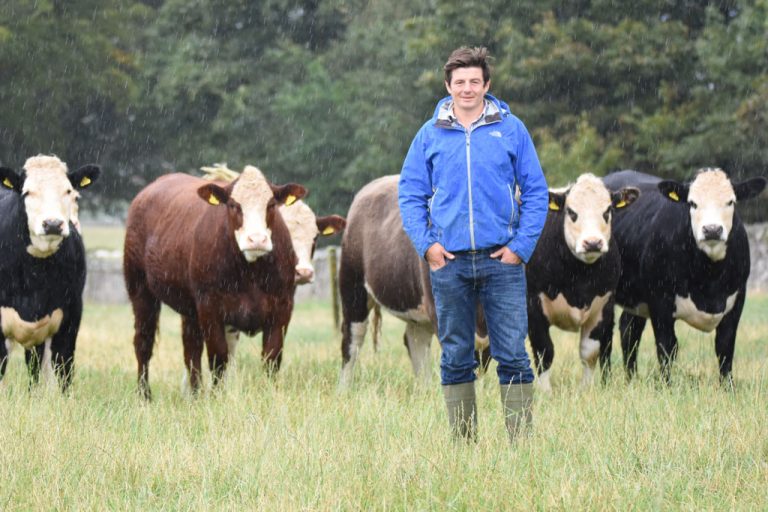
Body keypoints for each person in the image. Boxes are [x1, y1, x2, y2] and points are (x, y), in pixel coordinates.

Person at [398, 46, 548, 442]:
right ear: (448, 86)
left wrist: (520, 248)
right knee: (456, 357)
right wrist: (427, 246)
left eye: (474, 82)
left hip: (504, 262)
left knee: (514, 354)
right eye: (460, 82)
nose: (467, 89)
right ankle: (464, 445)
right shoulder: (429, 134)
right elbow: (410, 194)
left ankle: (521, 444)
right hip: (449, 264)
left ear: (487, 85)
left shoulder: (512, 129)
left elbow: (535, 192)